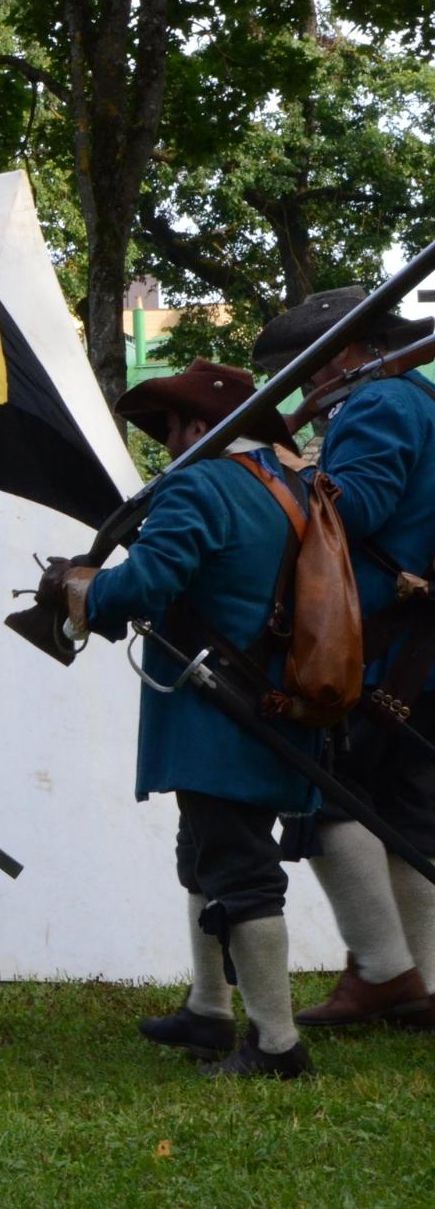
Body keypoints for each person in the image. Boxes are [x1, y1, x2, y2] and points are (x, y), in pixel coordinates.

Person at [54, 360, 320, 1078]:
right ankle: (209, 1007)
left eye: (171, 428)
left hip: (219, 709)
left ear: (202, 427)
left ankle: (275, 1042)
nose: (166, 444)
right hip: (269, 699)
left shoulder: (196, 483)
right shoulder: (289, 486)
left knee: (238, 866)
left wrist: (81, 584)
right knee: (205, 852)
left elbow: (144, 585)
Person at [251, 288, 435, 1030]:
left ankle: (386, 971)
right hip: (412, 645)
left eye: (310, 370)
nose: (304, 388)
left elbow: (348, 508)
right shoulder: (416, 399)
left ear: (349, 355)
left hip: (381, 641)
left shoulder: (379, 404)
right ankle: (418, 977)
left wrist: (267, 480)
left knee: (327, 797)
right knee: (407, 812)